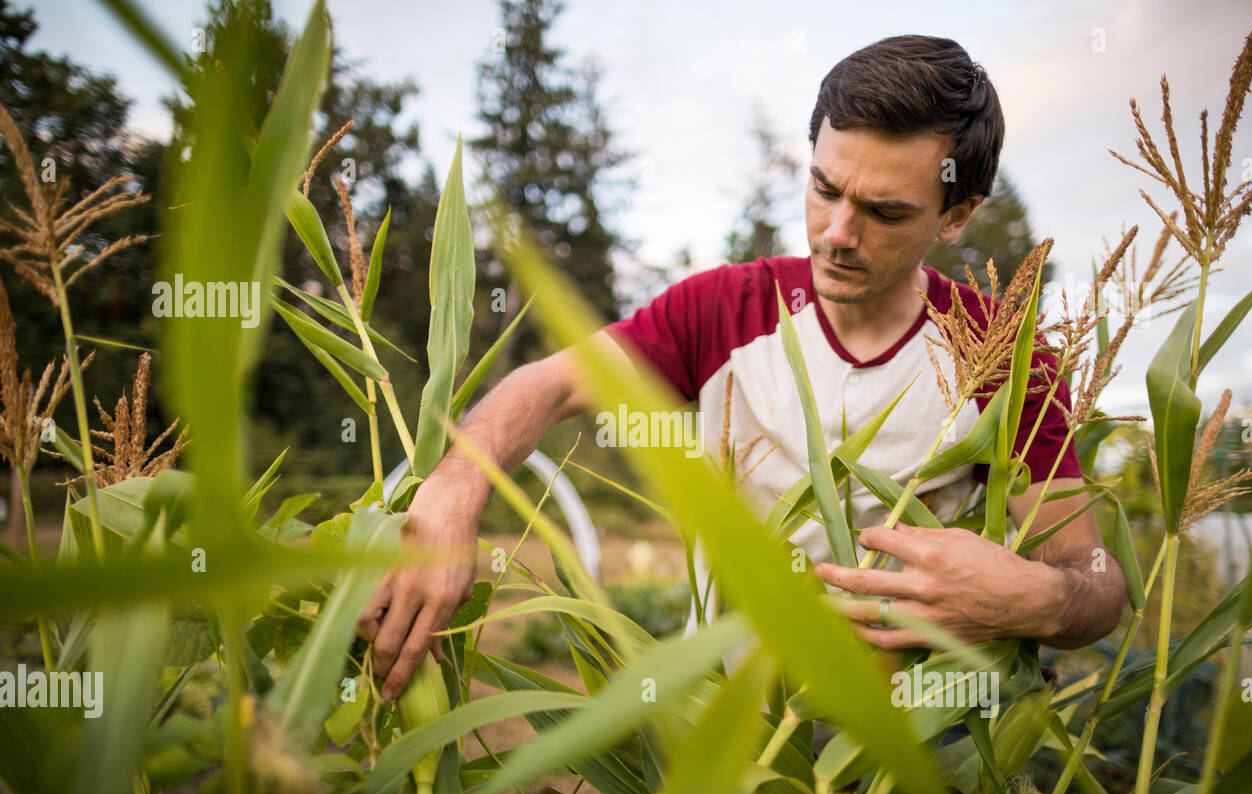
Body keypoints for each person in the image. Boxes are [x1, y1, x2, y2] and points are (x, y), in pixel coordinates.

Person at [357, 34, 1128, 700]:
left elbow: (1092, 574)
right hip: (732, 725)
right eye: (824, 189)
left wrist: (1042, 600)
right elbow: (553, 382)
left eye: (885, 212)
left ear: (956, 214)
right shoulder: (725, 310)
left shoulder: (999, 353)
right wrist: (454, 489)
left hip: (919, 758)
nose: (836, 233)